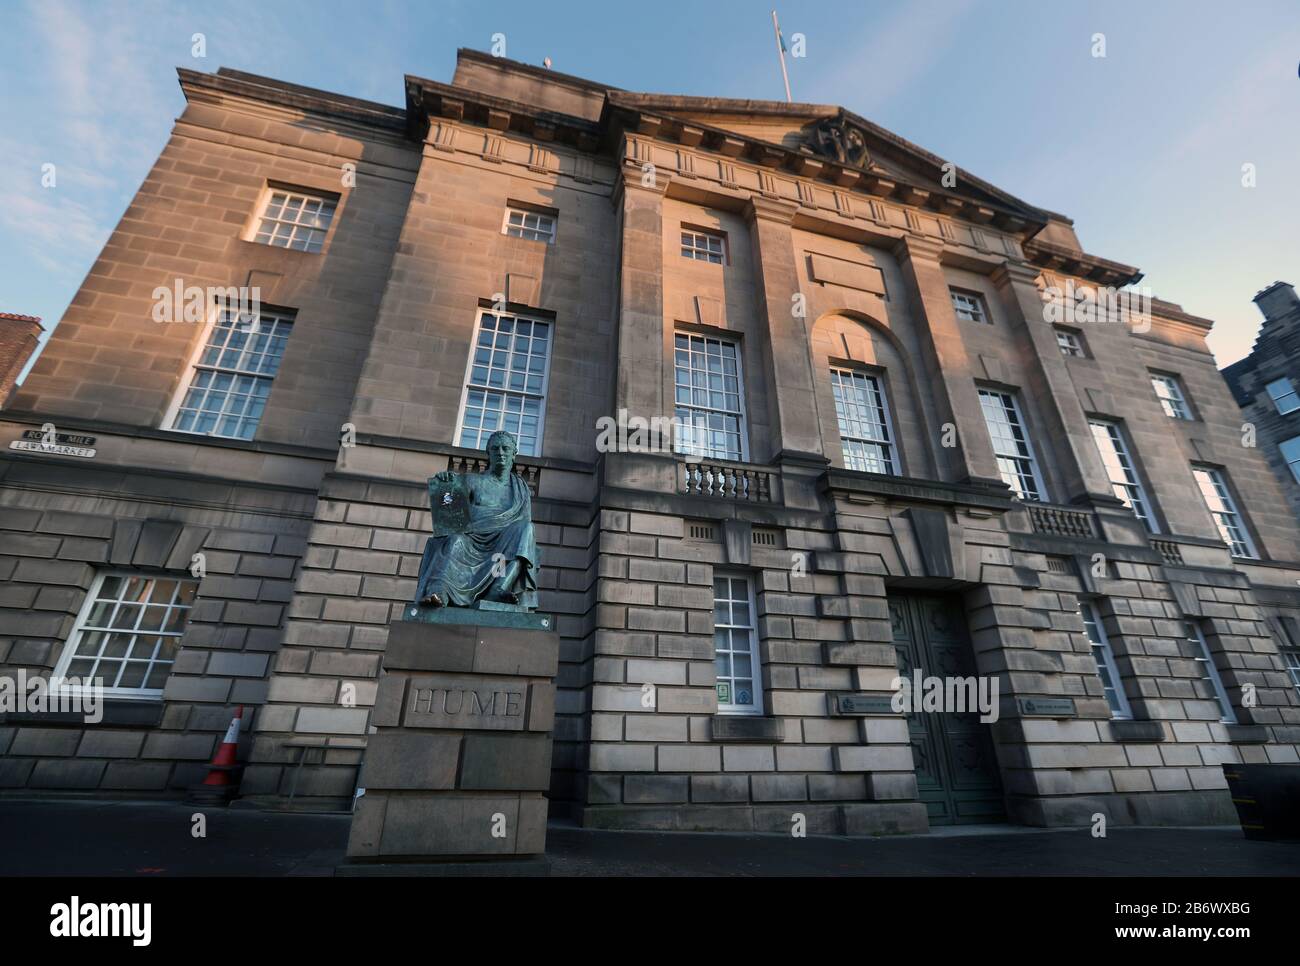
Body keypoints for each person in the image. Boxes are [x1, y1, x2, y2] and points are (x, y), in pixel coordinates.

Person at [414, 430, 539, 609]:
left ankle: (499, 587)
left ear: (514, 453)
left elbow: (523, 521)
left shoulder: (520, 489)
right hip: (472, 539)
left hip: (504, 543)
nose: (501, 453)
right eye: (495, 449)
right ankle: (439, 591)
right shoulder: (471, 481)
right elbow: (449, 515)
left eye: (505, 449)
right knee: (455, 541)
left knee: (526, 529)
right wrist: (446, 484)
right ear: (488, 454)